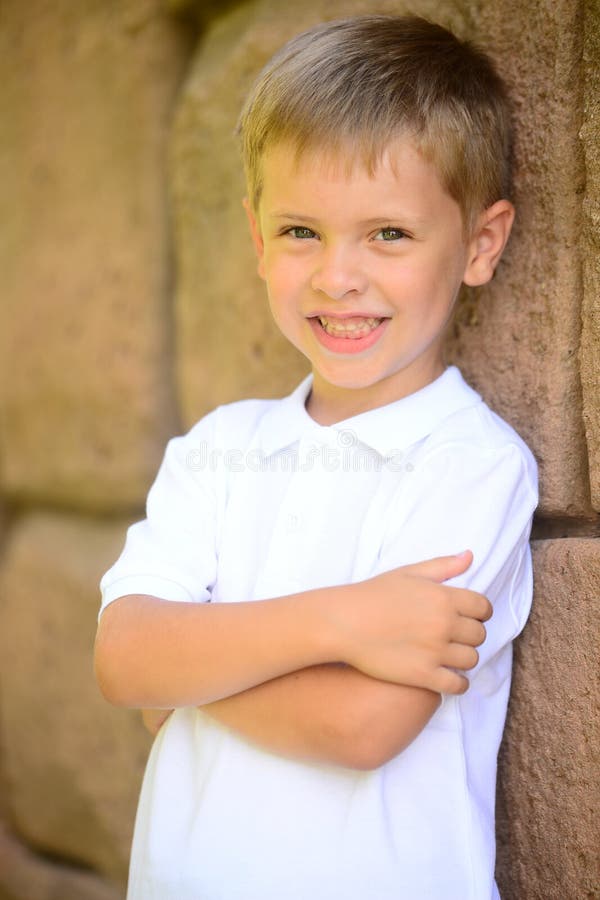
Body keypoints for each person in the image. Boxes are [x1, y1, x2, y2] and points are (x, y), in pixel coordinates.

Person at [94, 14, 538, 899]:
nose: (338, 276)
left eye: (389, 234)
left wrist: (195, 672)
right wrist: (344, 621)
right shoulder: (219, 450)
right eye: (302, 231)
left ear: (480, 245)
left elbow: (362, 726)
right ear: (259, 240)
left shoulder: (471, 466)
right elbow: (125, 659)